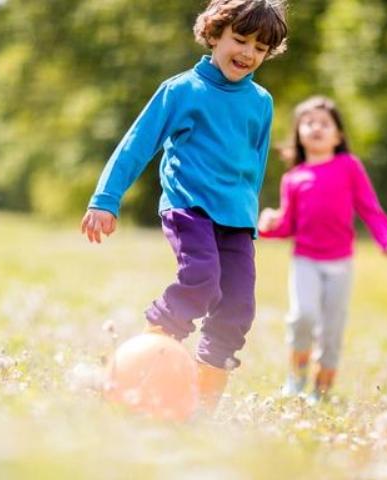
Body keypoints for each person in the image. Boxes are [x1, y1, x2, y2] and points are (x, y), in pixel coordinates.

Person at [80, 0, 287, 413]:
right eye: (240, 39)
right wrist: (106, 199)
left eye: (260, 48)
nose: (247, 53)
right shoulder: (181, 90)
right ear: (214, 34)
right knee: (202, 278)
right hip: (189, 207)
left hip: (236, 220)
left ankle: (203, 404)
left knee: (238, 307)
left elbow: (256, 163)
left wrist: (251, 220)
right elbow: (136, 146)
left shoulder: (261, 101)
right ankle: (143, 365)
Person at [258, 96, 387, 403]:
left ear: (338, 135)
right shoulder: (293, 178)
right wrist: (267, 226)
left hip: (340, 263)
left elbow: (369, 208)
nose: (316, 128)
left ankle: (321, 391)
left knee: (332, 331)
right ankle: (296, 378)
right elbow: (288, 227)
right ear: (298, 134)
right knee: (303, 316)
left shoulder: (348, 166)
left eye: (325, 123)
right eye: (308, 123)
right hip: (305, 260)